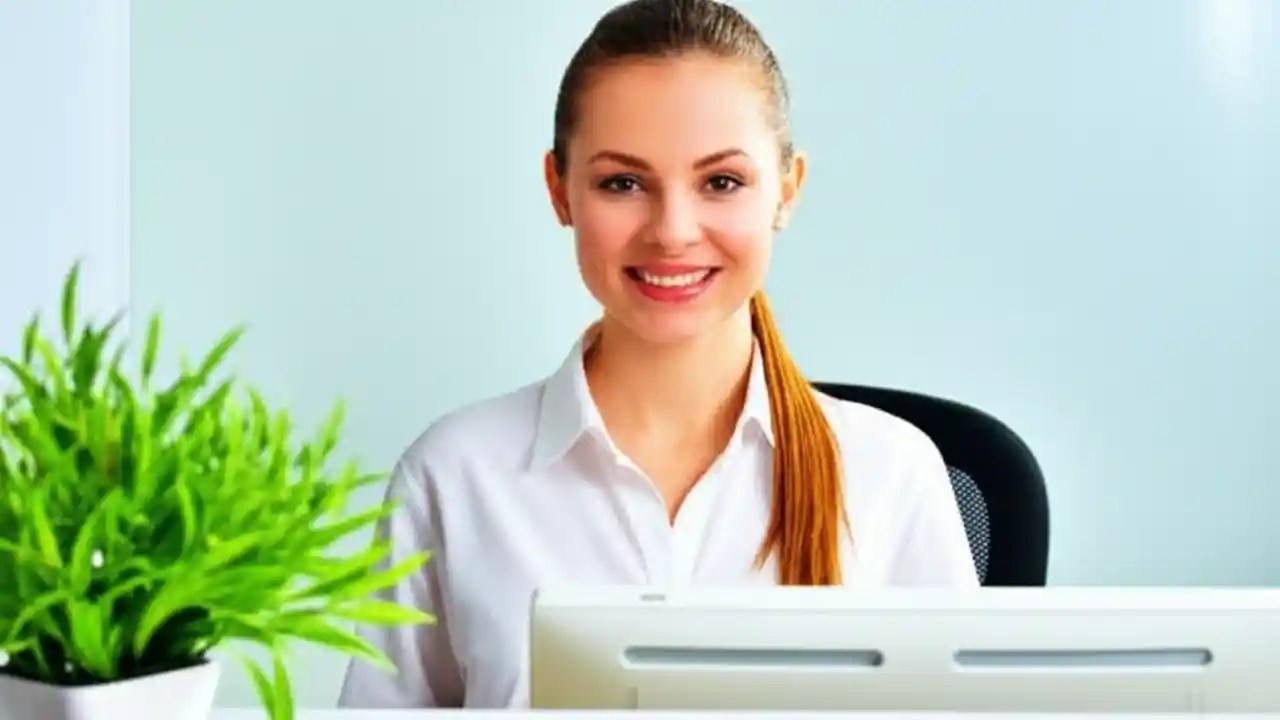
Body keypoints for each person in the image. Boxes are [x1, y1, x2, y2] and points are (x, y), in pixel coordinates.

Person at [337, 0, 976, 709]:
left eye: (722, 182)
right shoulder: (455, 478)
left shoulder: (890, 474)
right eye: (622, 183)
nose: (672, 232)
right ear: (561, 191)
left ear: (786, 191)